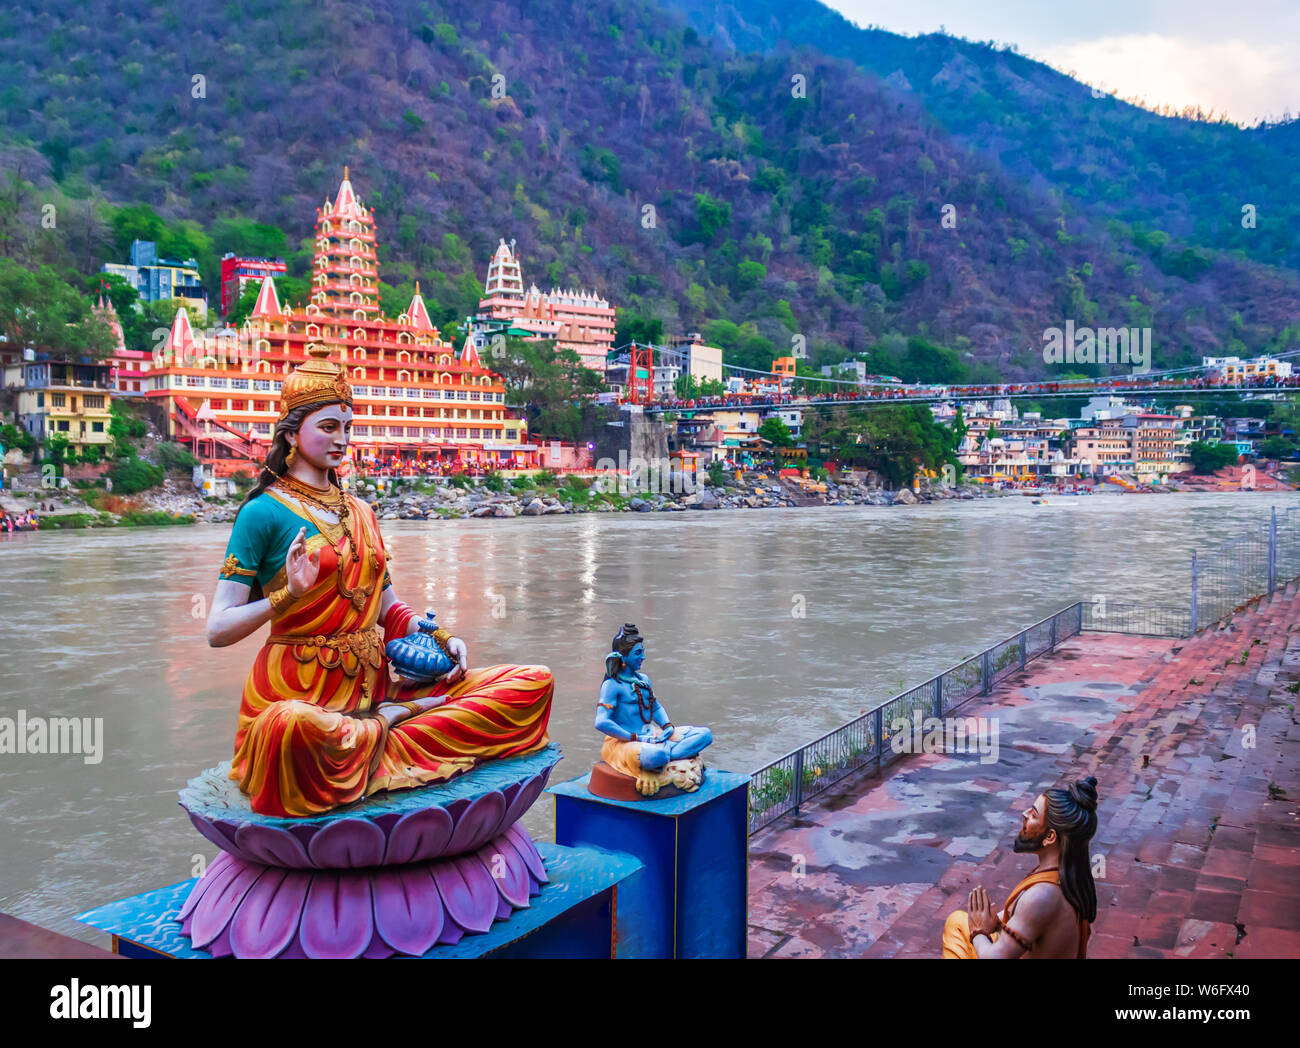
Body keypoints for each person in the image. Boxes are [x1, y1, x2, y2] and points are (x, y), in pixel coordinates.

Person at [205, 346, 554, 818]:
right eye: (328, 427)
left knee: (530, 683)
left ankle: (380, 736)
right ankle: (391, 731)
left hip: (377, 683)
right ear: (291, 432)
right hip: (299, 695)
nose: (342, 439)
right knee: (292, 731)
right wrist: (288, 595)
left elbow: (388, 607)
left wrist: (439, 637)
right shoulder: (261, 512)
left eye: (348, 427)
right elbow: (217, 630)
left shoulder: (361, 511)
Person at [941, 776, 1098, 958]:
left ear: (1050, 837)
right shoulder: (1065, 876)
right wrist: (995, 922)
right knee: (958, 922)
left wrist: (979, 932)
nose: (1024, 814)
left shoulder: (1043, 896)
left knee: (961, 930)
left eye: (1033, 814)